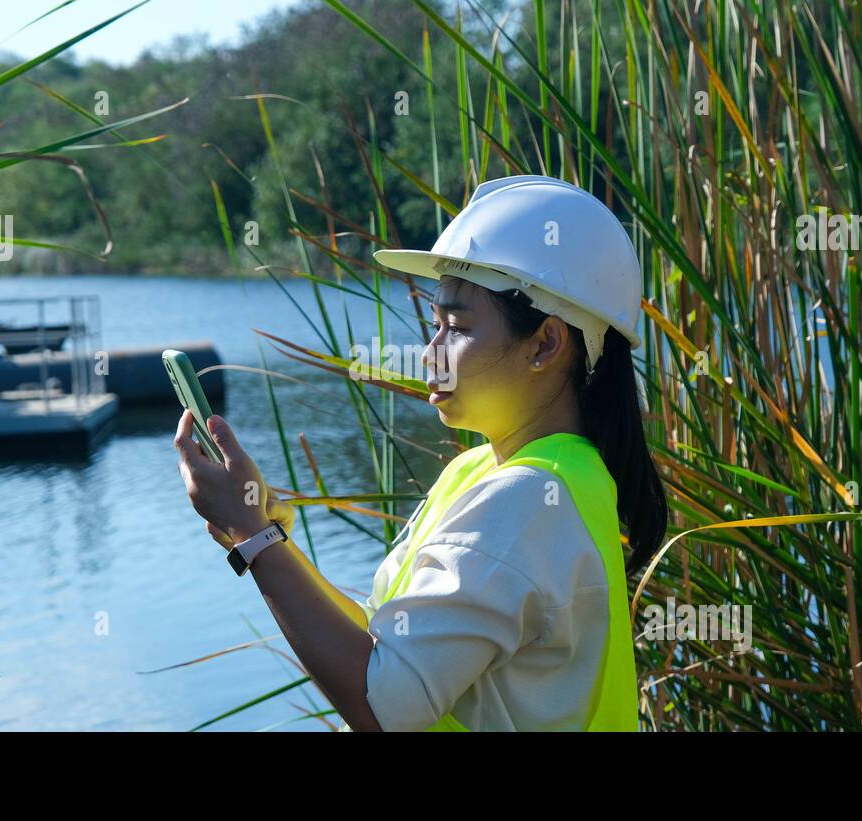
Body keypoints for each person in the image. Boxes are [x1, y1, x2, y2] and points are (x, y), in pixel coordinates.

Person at [174, 174, 668, 731]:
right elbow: (385, 644)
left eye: (455, 327)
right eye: (434, 325)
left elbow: (384, 706)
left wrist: (255, 541)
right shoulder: (502, 472)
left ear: (546, 343)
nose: (429, 354)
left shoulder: (528, 498)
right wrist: (269, 538)